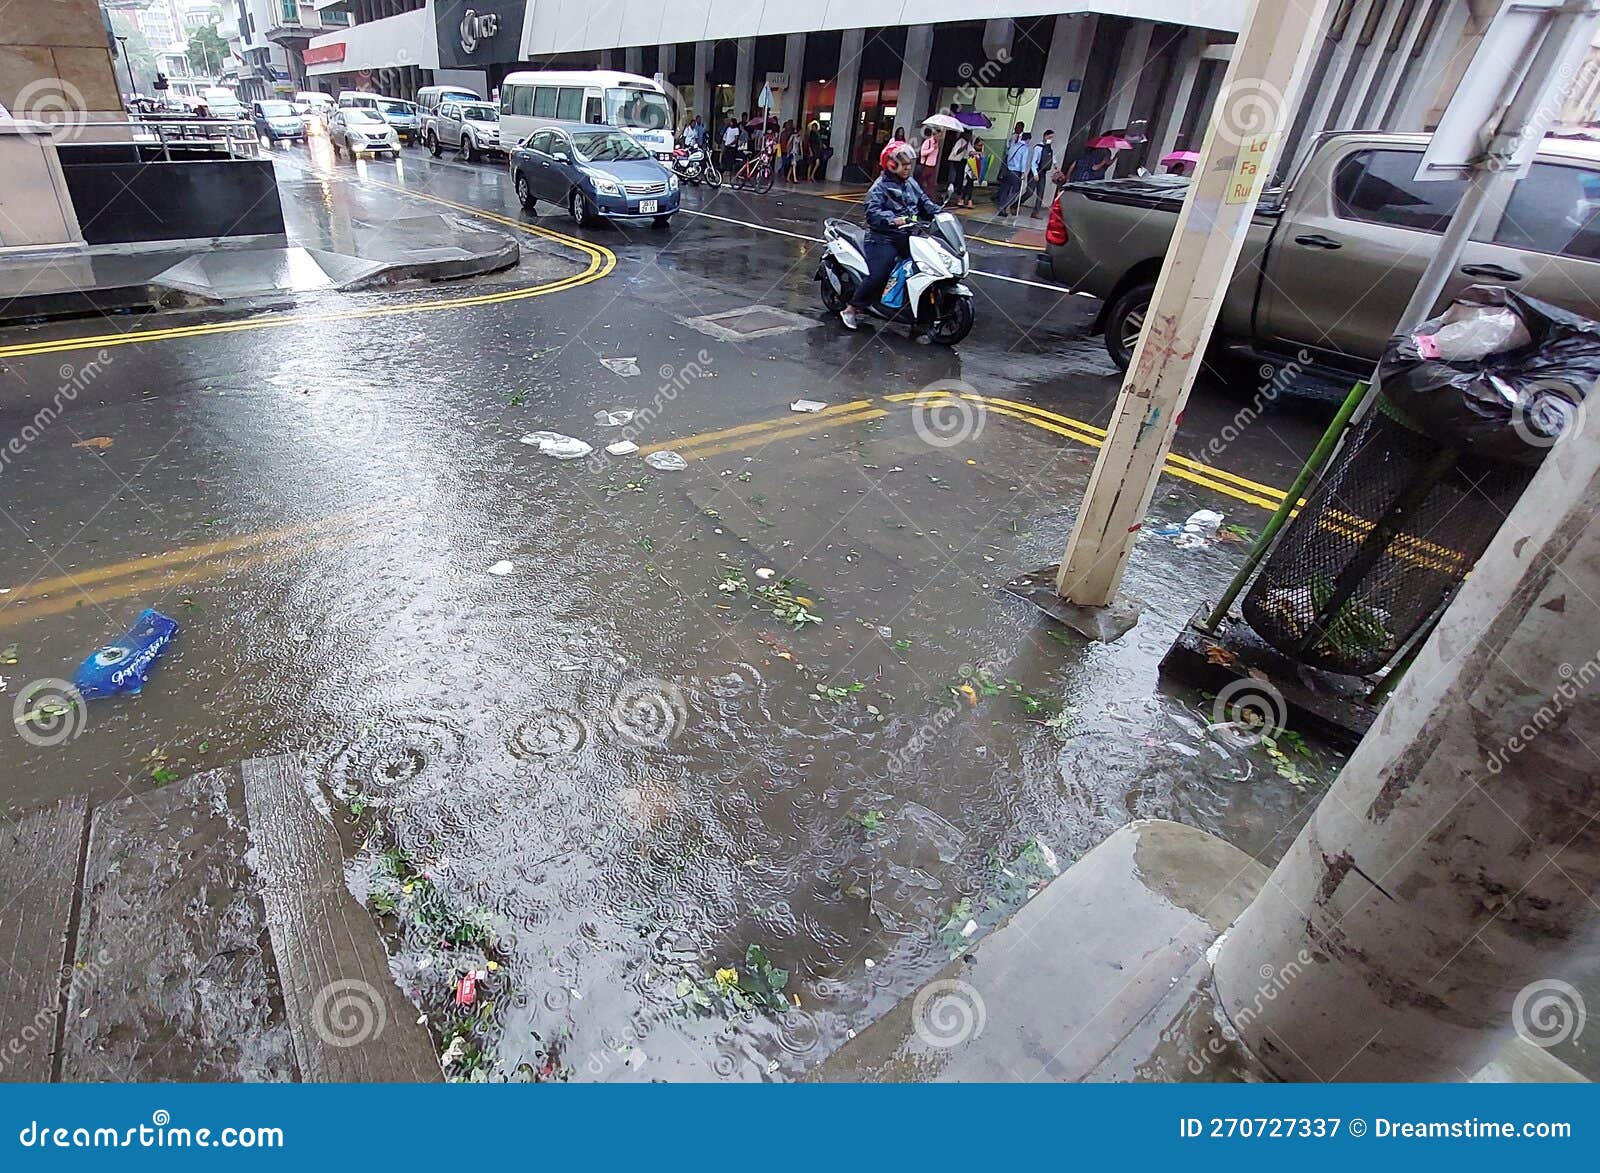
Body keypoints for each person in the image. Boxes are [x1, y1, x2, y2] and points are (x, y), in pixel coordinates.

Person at [841, 142, 941, 332]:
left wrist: (940, 213)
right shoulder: (879, 188)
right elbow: (873, 213)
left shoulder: (910, 183)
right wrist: (893, 220)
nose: (908, 168)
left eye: (909, 164)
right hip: (883, 238)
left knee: (924, 269)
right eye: (903, 165)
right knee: (879, 274)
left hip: (909, 236)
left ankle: (917, 314)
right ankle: (851, 309)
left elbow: (924, 202)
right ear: (891, 165)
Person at [997, 130, 1030, 216]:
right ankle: (1004, 206)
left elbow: (1008, 156)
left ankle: (1001, 206)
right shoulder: (1025, 148)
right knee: (1016, 190)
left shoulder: (1014, 146)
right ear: (1028, 140)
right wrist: (1023, 173)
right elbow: (1023, 161)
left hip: (1008, 170)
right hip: (1016, 172)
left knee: (1005, 189)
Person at [1024, 128, 1055, 215]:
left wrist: (1055, 166)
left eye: (1052, 137)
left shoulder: (1049, 148)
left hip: (1043, 173)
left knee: (1040, 193)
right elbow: (1033, 162)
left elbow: (1052, 159)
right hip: (1035, 172)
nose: (1051, 139)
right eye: (1050, 137)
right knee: (1030, 192)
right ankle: (1015, 205)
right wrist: (1035, 173)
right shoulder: (1038, 148)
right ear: (1045, 137)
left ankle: (1036, 212)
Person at [946, 129, 974, 207]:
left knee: (961, 179)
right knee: (956, 179)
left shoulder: (968, 143)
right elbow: (956, 151)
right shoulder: (960, 141)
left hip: (963, 161)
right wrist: (964, 146)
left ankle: (958, 198)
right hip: (957, 161)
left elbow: (971, 151)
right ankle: (953, 196)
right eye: (969, 134)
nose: (969, 136)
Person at [918, 126, 942, 193]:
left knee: (931, 186)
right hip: (926, 166)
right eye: (938, 136)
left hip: (933, 166)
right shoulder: (927, 142)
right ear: (934, 135)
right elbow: (922, 153)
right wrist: (932, 149)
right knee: (922, 184)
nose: (939, 138)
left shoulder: (937, 143)